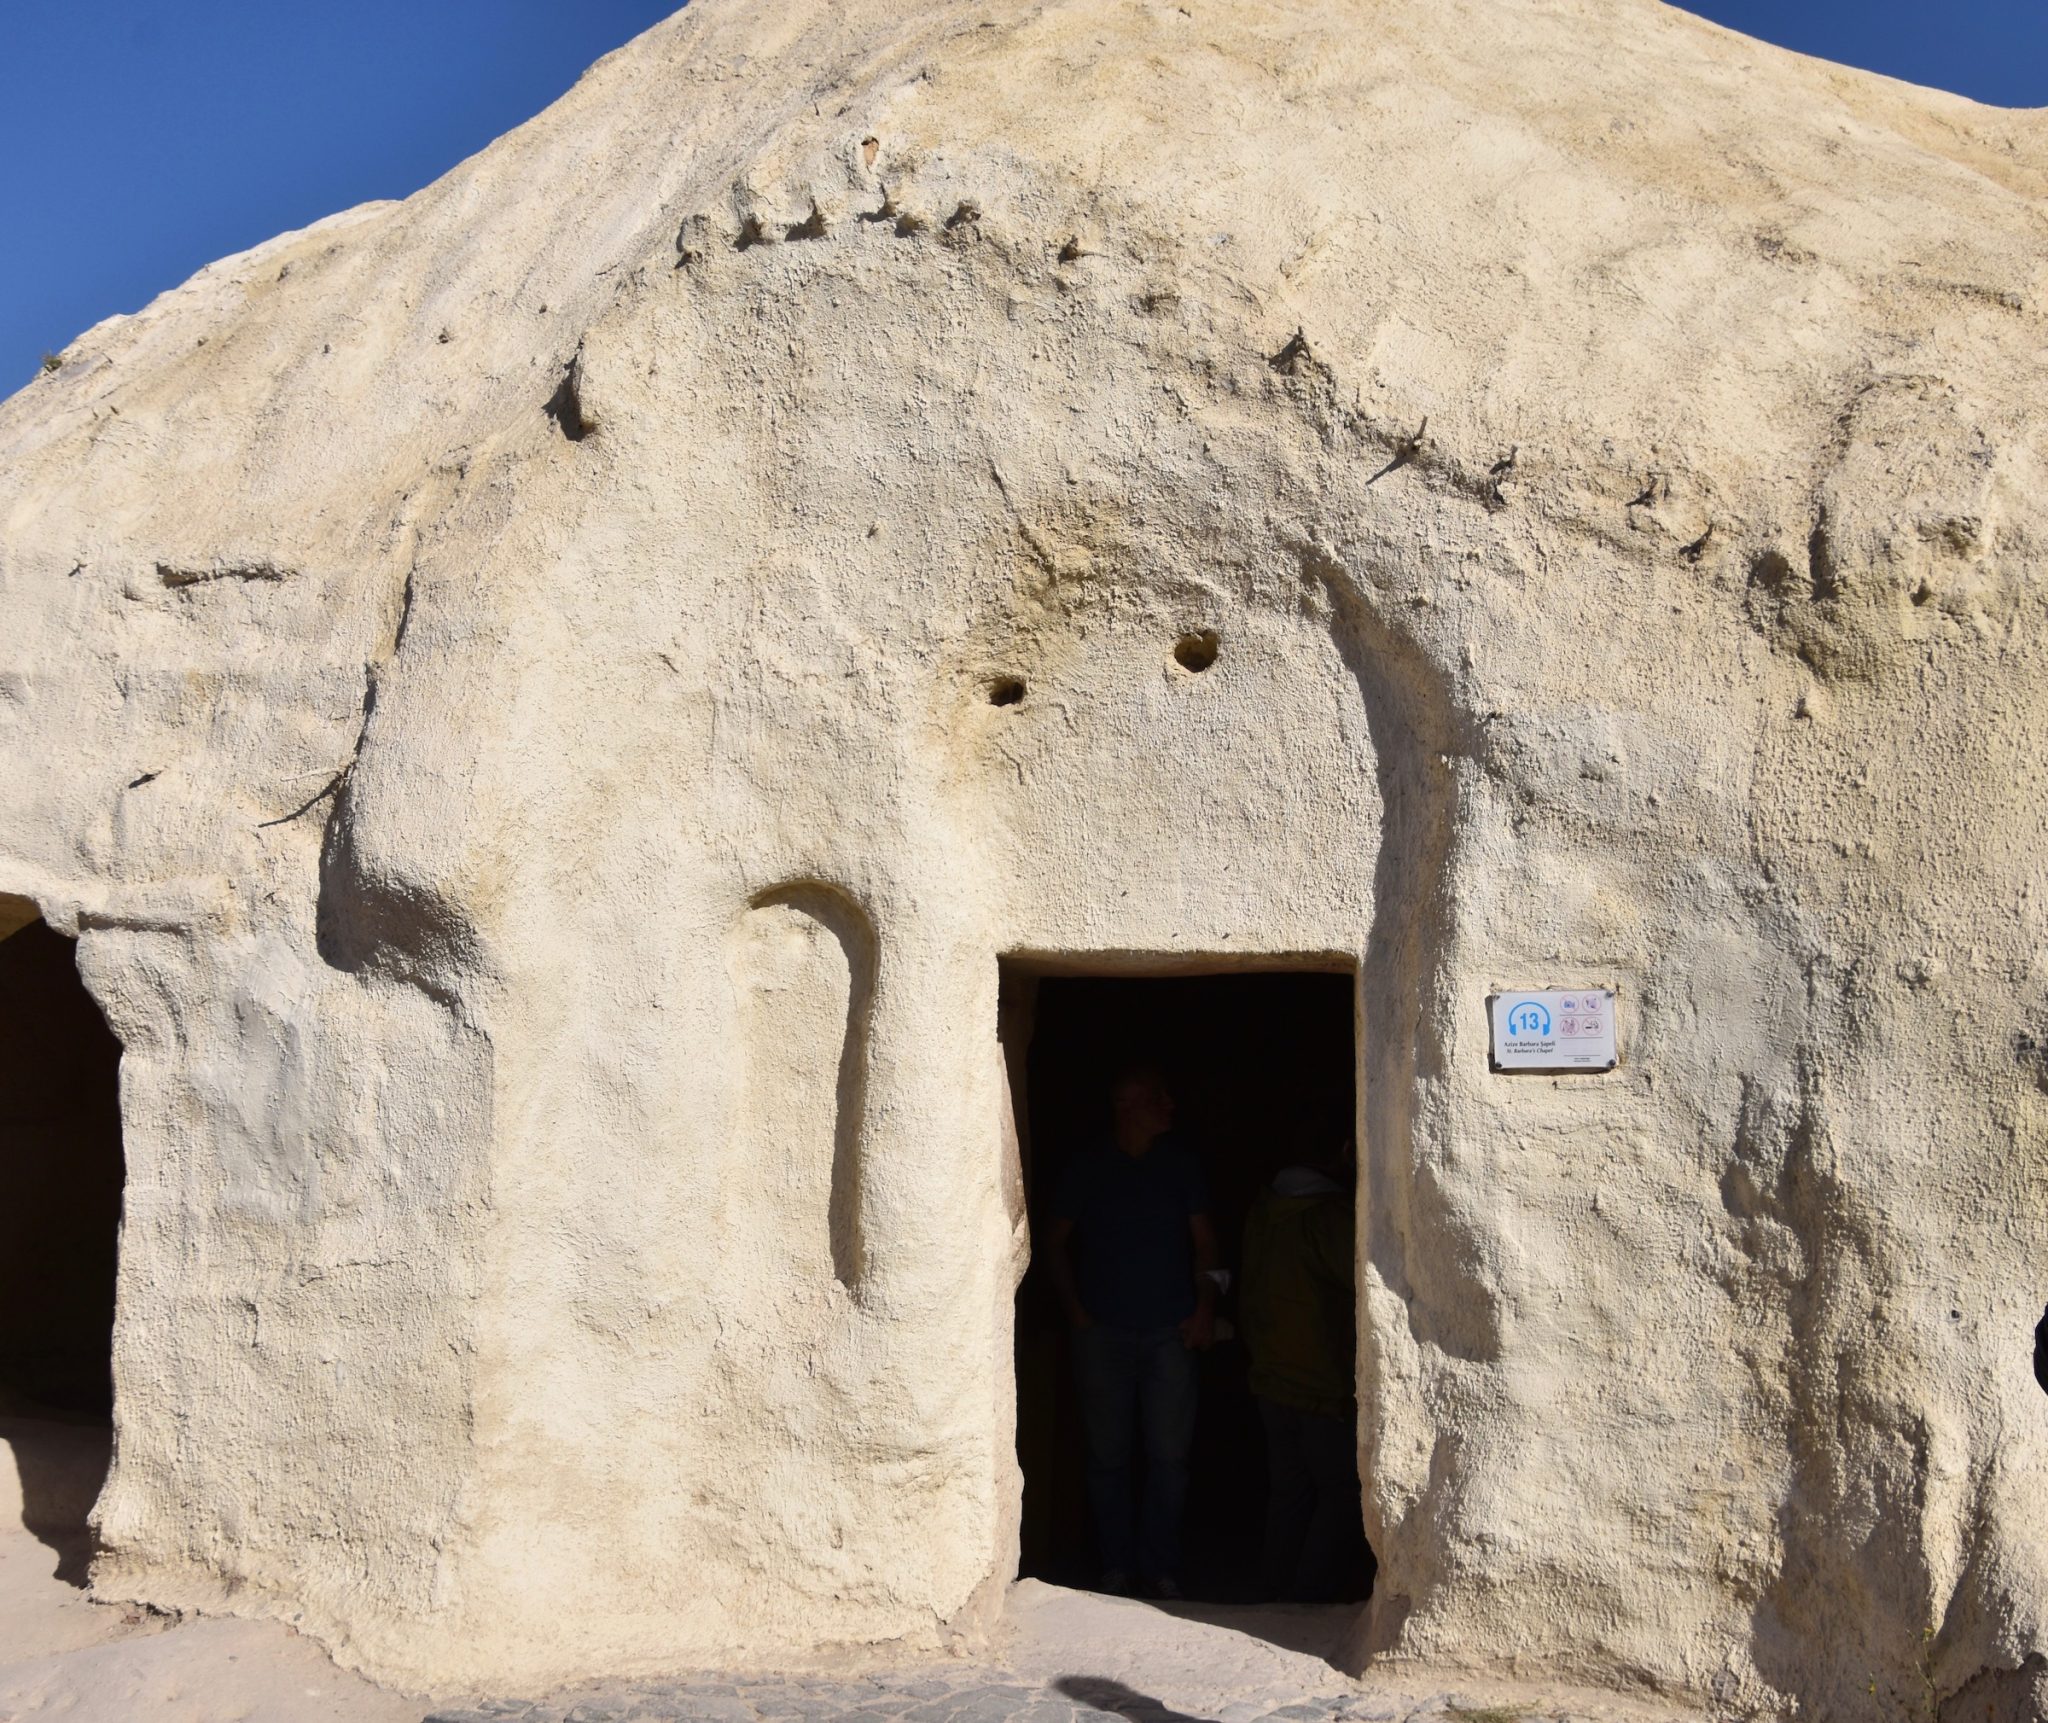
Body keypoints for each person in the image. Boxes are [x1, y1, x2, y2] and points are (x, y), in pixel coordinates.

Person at [1048, 1063, 1218, 1600]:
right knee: (1107, 1459)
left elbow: (1207, 1245)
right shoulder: (1088, 1166)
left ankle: (1161, 1568)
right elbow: (1050, 1241)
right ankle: (1117, 1567)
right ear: (1126, 1107)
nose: (1170, 1105)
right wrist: (1076, 1311)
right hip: (1103, 1335)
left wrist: (1206, 1307)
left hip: (1171, 1332)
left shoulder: (1180, 1164)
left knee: (1170, 1459)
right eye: (1157, 1098)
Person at [1239, 1131, 1362, 1604]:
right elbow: (1360, 1280)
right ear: (1345, 1152)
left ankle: (1275, 1591)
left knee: (1289, 1491)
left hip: (1271, 1375)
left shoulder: (1265, 1208)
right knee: (1340, 1495)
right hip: (1321, 1382)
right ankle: (1311, 1598)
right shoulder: (1329, 1217)